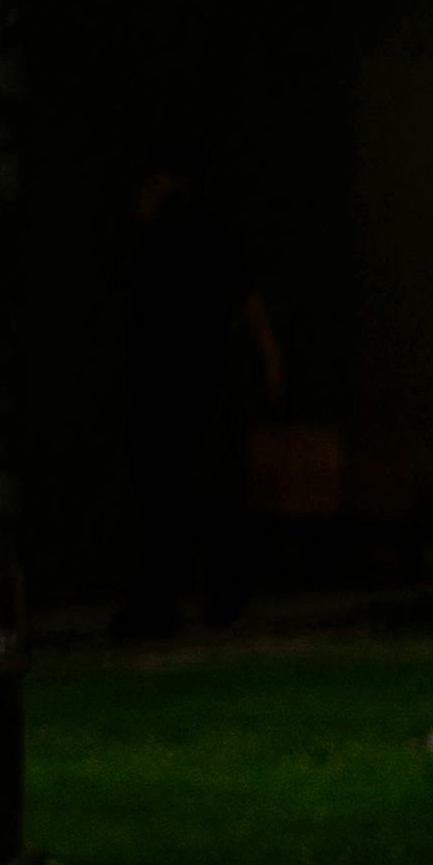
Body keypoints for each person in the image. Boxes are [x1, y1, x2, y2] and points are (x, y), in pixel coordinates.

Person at [112, 141, 283, 639]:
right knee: (172, 490)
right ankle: (173, 599)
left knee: (191, 488)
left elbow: (246, 301)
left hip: (192, 377)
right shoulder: (163, 236)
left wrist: (269, 358)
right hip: (167, 378)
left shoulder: (204, 234)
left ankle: (203, 595)